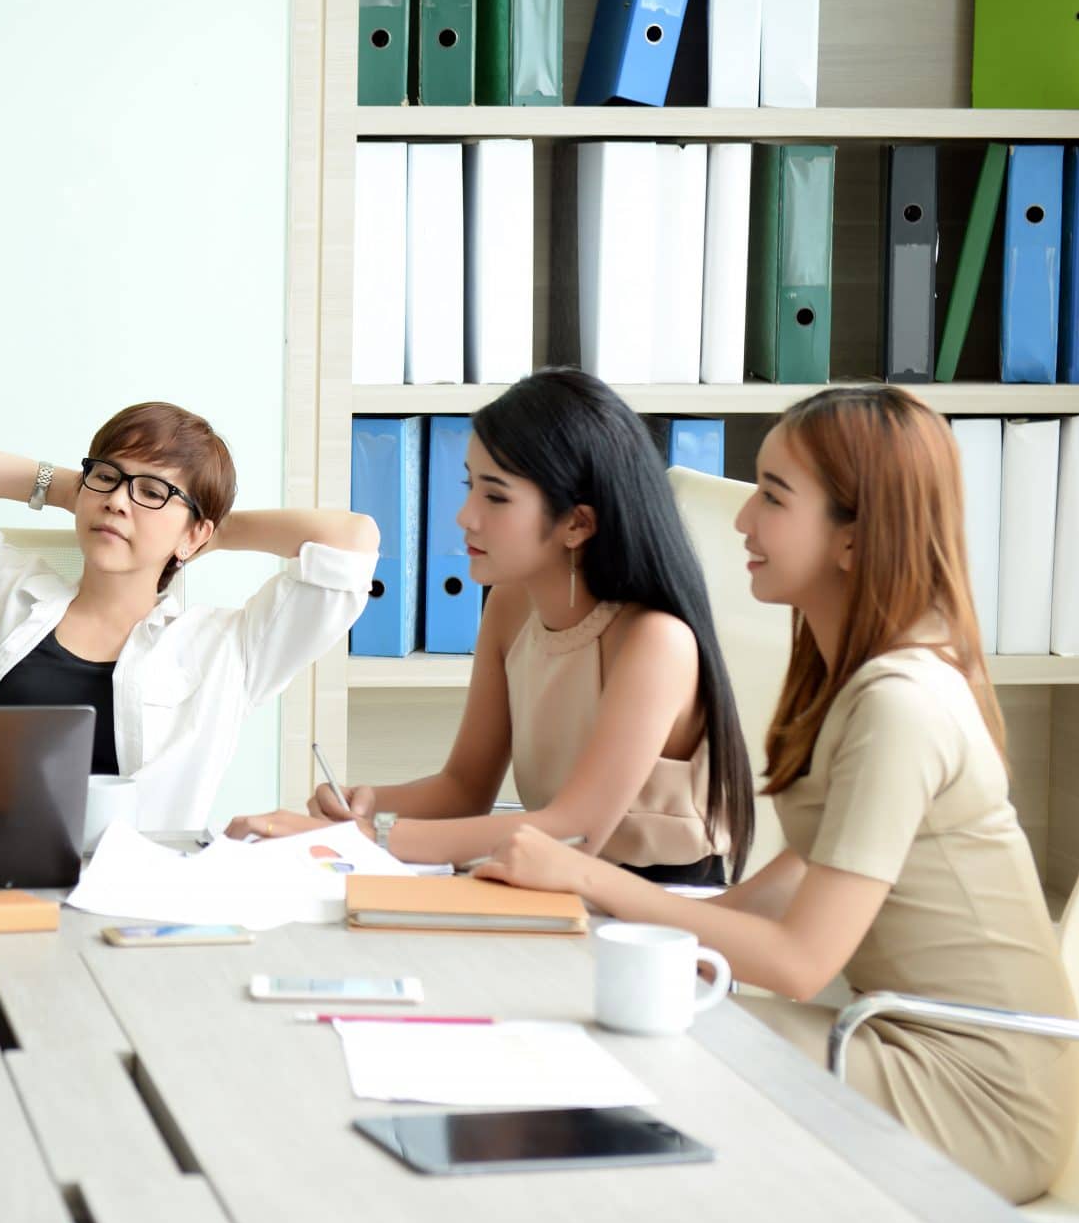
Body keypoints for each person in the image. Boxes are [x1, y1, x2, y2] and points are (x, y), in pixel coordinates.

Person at [476, 386, 1079, 1203]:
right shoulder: (853, 674)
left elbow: (801, 961)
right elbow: (804, 867)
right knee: (616, 1028)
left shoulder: (900, 704)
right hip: (899, 1041)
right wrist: (636, 931)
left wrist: (589, 879)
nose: (741, 522)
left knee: (640, 1066)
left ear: (853, 538)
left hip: (976, 1094)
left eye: (772, 496)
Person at [228, 370, 755, 885]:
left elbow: (576, 832)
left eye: (496, 497)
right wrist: (363, 805)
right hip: (545, 881)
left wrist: (367, 838)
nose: (464, 516)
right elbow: (463, 788)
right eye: (470, 485)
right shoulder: (509, 605)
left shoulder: (655, 640)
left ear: (577, 523)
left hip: (662, 901)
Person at [0, 403, 378, 834]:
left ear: (194, 534)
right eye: (108, 476)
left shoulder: (228, 649)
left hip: (130, 900)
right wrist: (75, 491)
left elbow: (352, 540)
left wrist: (209, 533)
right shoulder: (1, 589)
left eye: (153, 491)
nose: (118, 500)